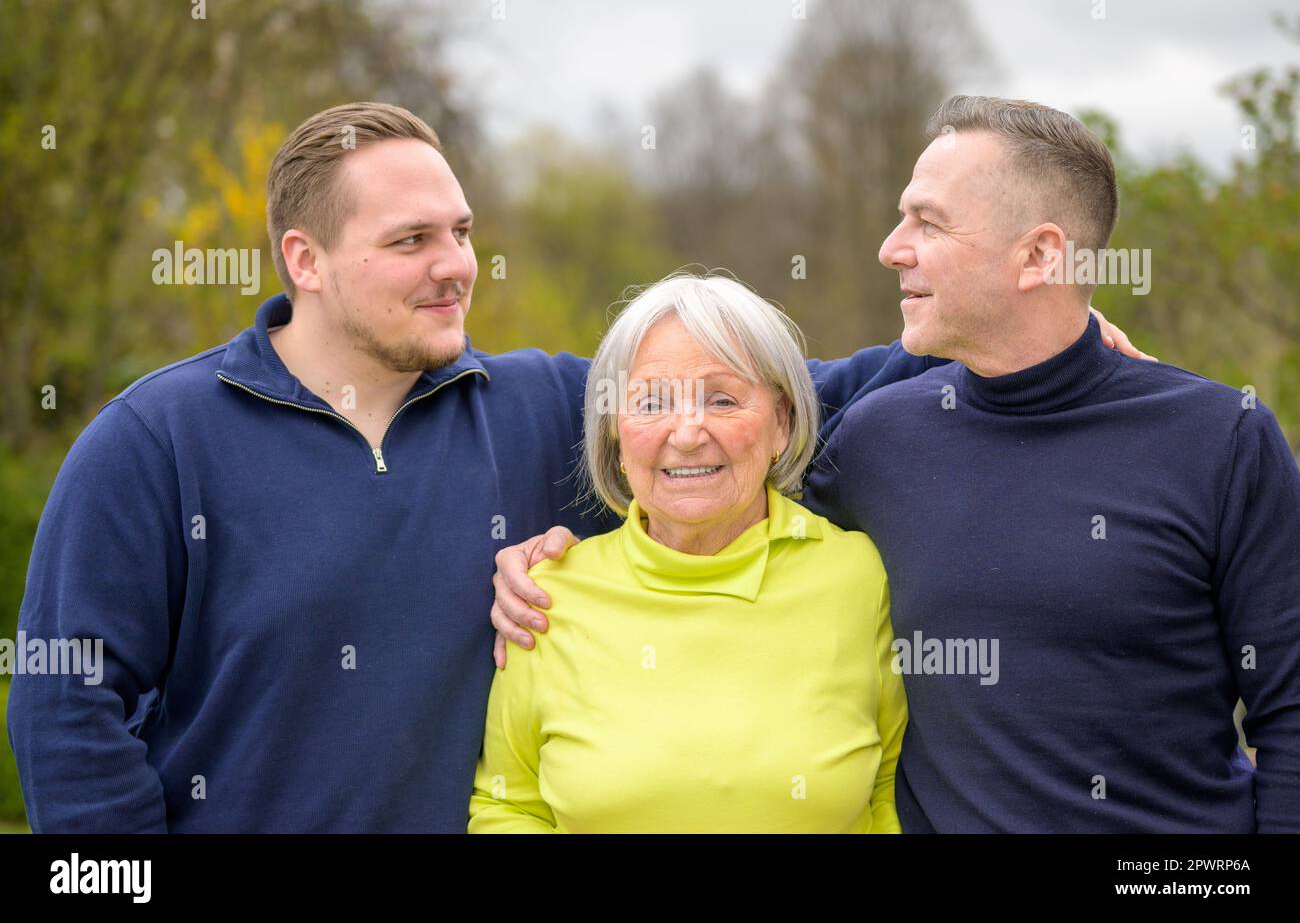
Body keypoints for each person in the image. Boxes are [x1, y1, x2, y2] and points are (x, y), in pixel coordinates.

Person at [8, 101, 1015, 832]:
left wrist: (1023, 335)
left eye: (461, 232)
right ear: (305, 260)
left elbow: (749, 395)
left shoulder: (532, 404)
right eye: (410, 240)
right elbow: (69, 708)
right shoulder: (157, 440)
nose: (457, 265)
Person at [488, 96, 1300, 833]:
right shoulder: (880, 438)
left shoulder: (1219, 439)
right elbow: (705, 471)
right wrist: (550, 558)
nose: (889, 248)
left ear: (1039, 256)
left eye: (928, 223)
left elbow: (1290, 711)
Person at [469, 273, 905, 833]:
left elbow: (891, 790)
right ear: (615, 437)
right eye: (652, 403)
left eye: (722, 399)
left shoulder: (858, 577)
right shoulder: (548, 594)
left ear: (782, 424)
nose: (688, 432)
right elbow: (510, 806)